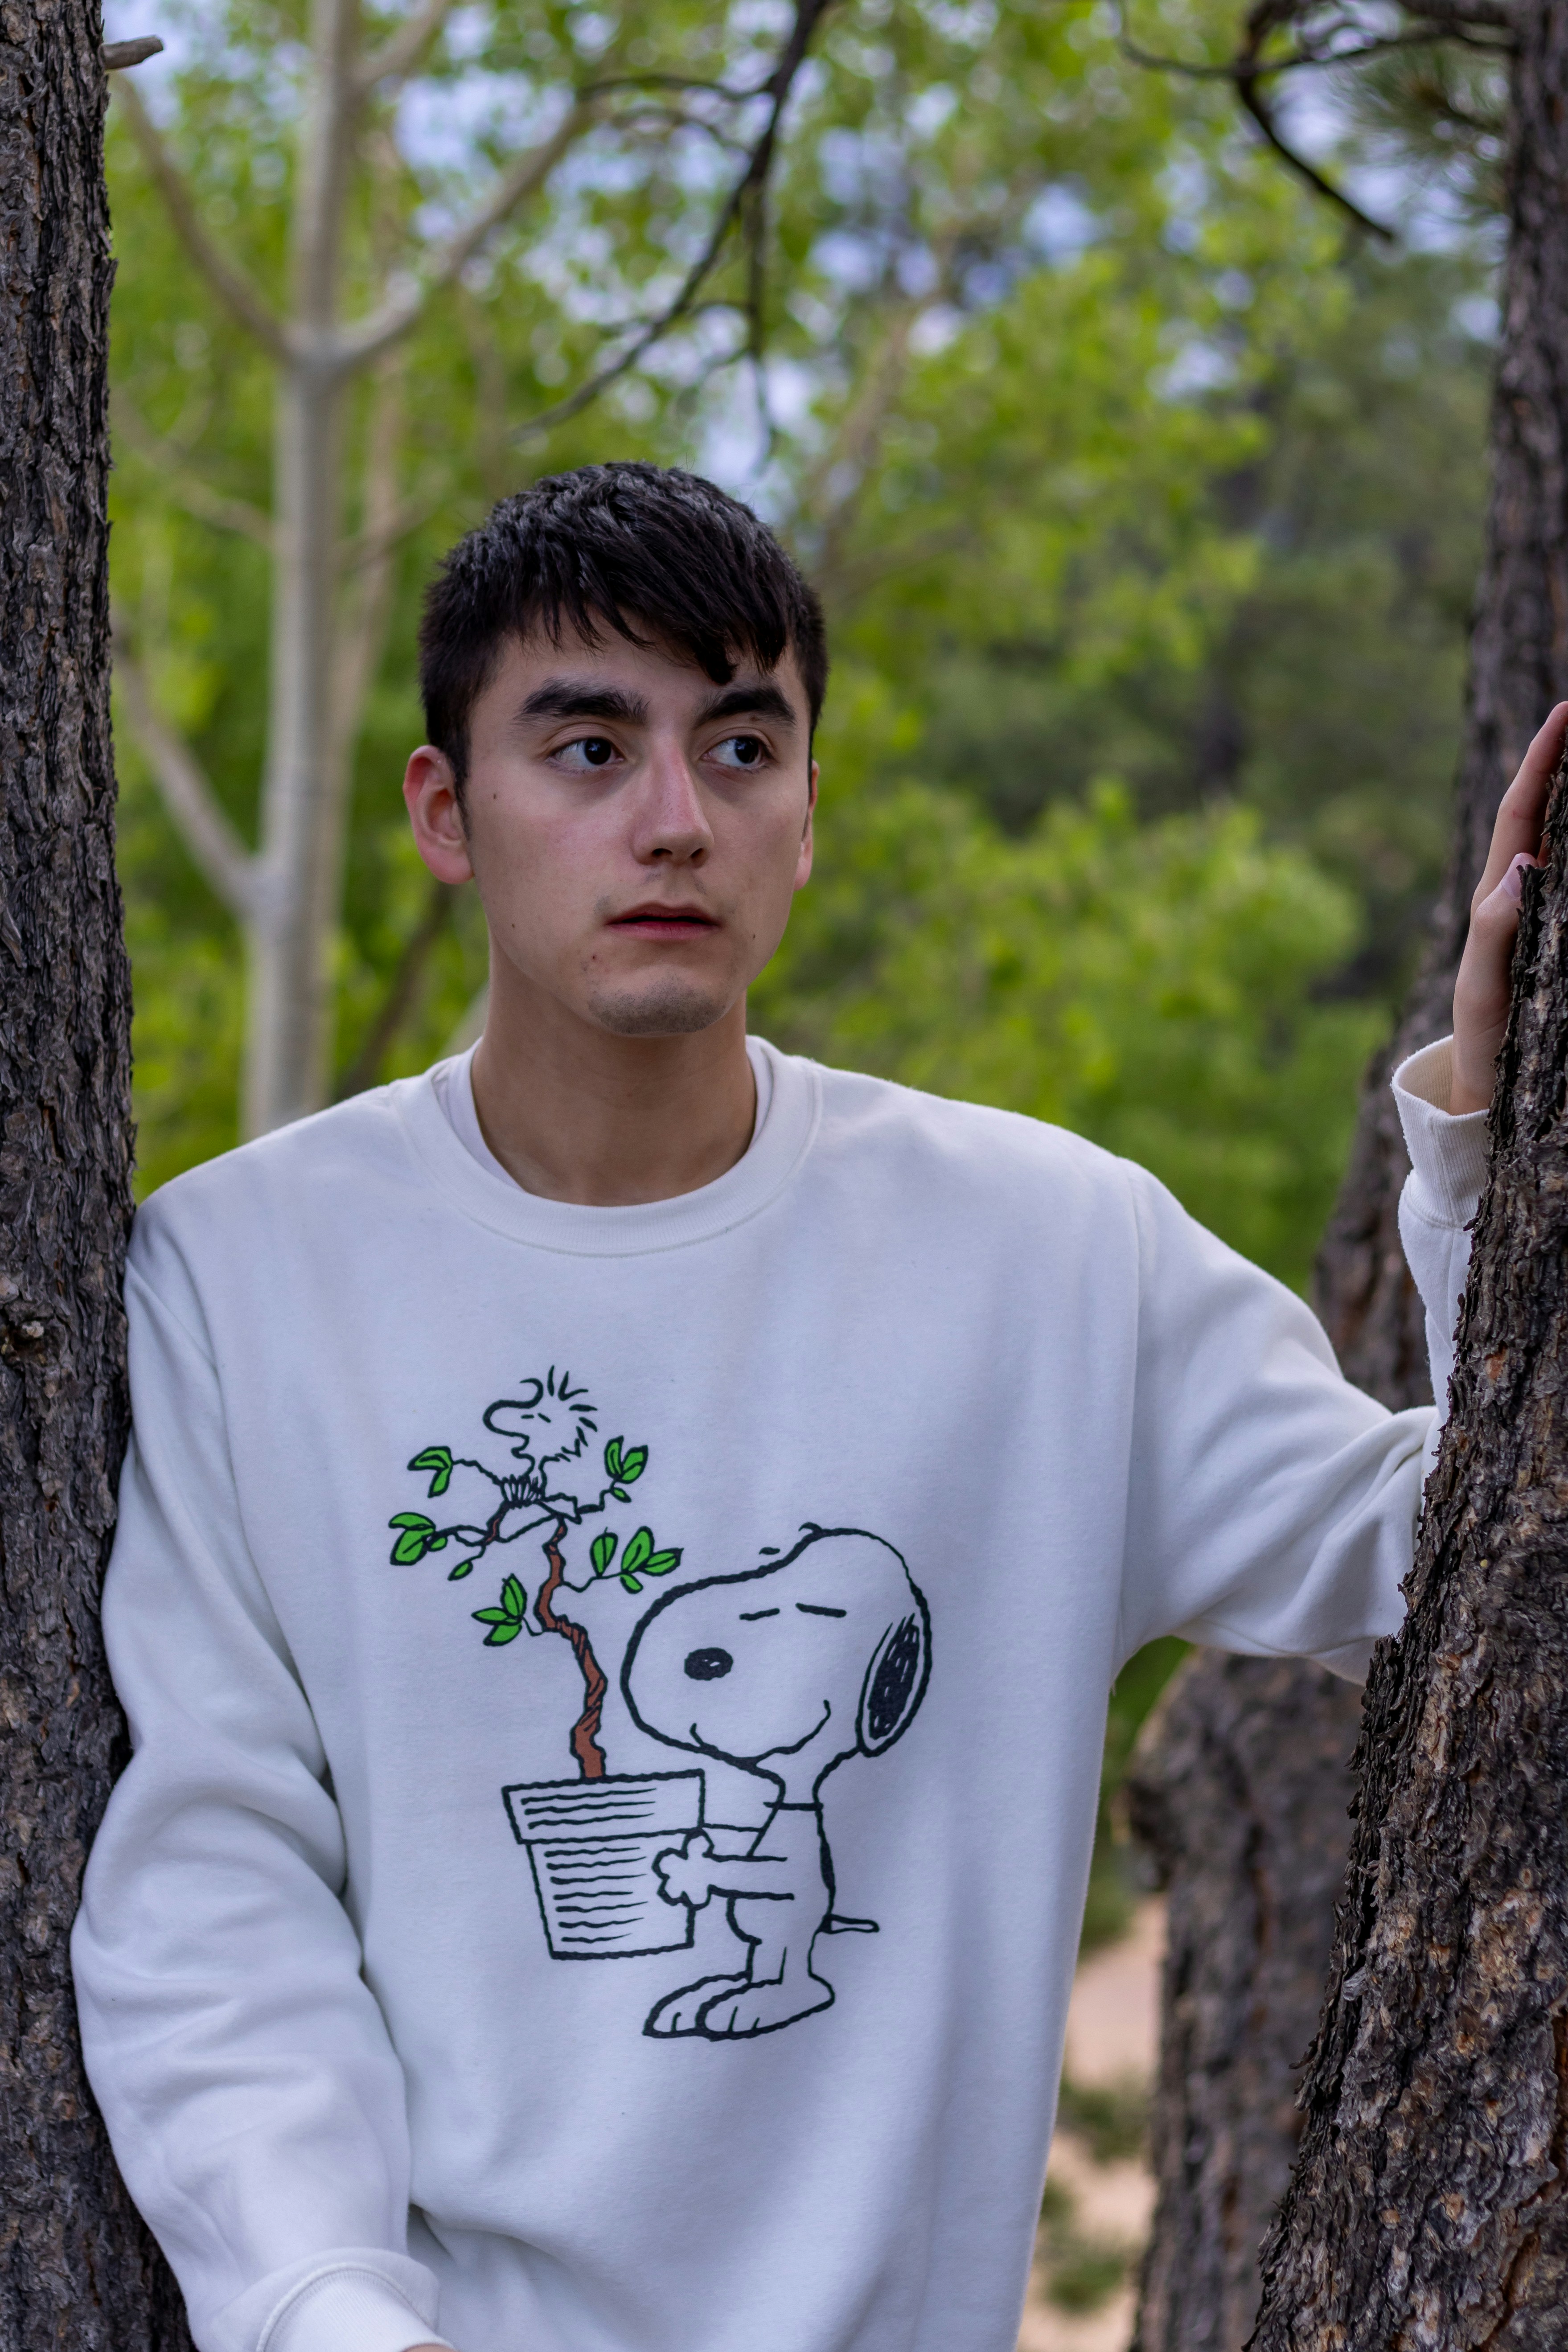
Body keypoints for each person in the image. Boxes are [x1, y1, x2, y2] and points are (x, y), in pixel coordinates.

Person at [72, 461, 1558, 2352]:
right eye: (589, 749)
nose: (674, 822)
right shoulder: (239, 1278)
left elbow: (1462, 1573)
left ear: (805, 813)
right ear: (446, 812)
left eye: (741, 748)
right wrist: (330, 2317)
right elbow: (212, 1881)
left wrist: (1493, 1157)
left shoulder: (1050, 1255)